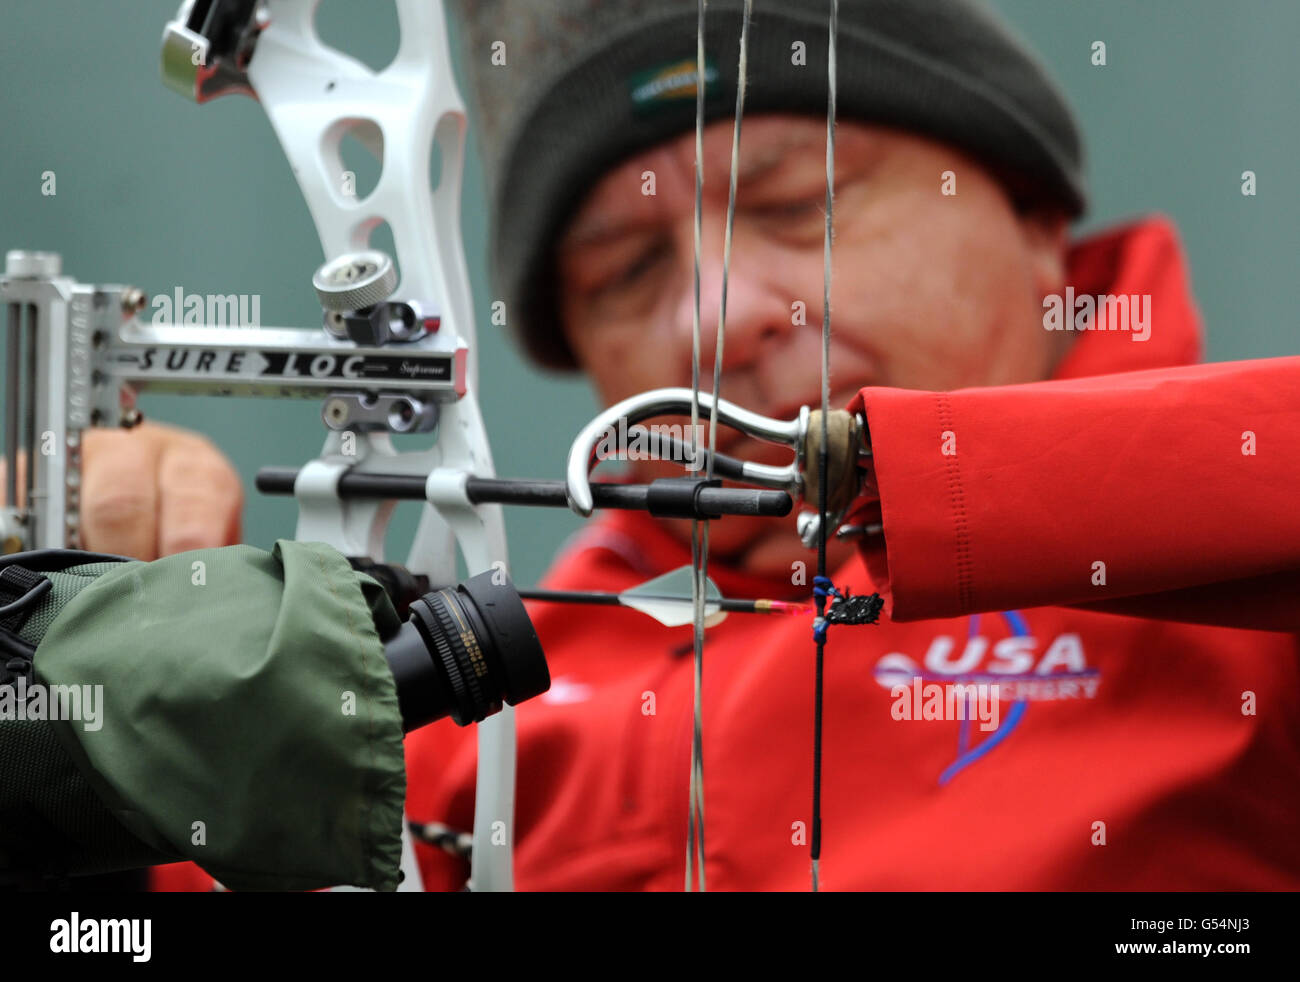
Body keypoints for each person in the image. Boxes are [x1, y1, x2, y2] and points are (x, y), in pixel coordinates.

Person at [140, 0, 1297, 889]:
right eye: (626, 271)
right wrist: (132, 672)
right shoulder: (481, 711)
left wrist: (939, 483)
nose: (716, 313)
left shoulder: (1243, 619)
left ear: (1034, 216)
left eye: (798, 200)